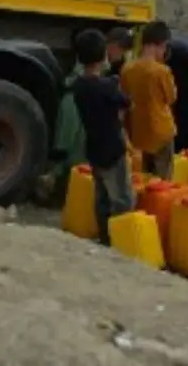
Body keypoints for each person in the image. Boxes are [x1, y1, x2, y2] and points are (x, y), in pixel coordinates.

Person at [70, 28, 135, 246]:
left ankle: (104, 236)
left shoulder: (78, 86)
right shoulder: (107, 86)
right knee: (122, 198)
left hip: (94, 148)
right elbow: (127, 102)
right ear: (103, 56)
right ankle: (122, 240)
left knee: (102, 197)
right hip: (113, 149)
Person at [119, 20, 177, 178]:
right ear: (161, 44)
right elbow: (171, 98)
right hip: (162, 134)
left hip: (139, 134)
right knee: (163, 183)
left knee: (144, 180)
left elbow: (123, 101)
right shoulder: (161, 71)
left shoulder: (127, 69)